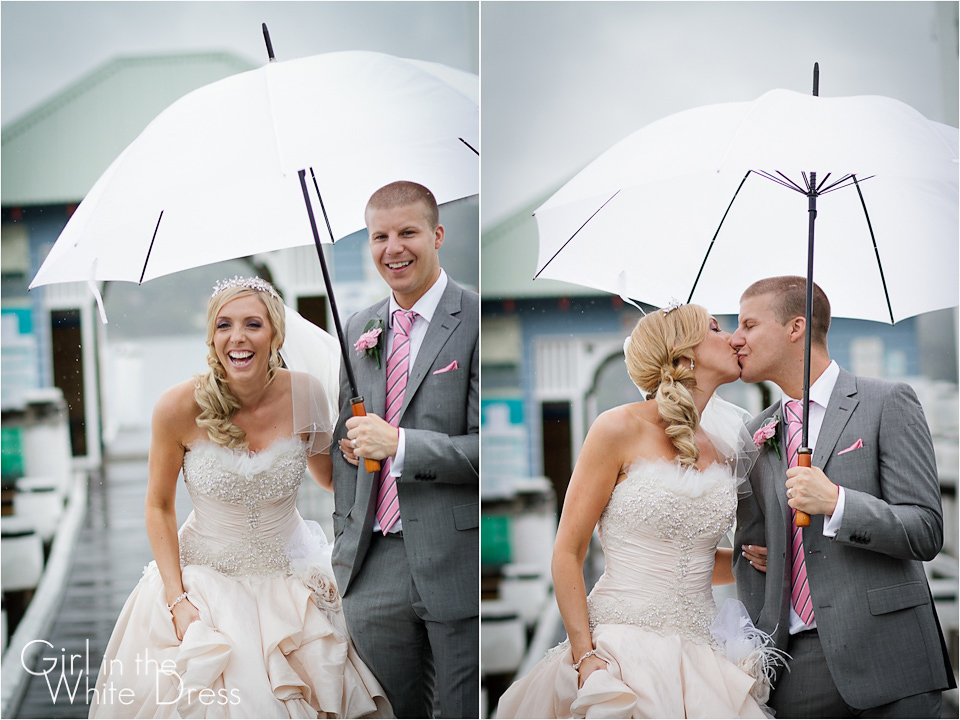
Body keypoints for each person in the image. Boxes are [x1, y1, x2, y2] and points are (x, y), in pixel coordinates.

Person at [88, 276, 392, 719]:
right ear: (212, 337)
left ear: (275, 334)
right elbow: (157, 506)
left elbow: (330, 480)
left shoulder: (305, 392)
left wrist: (357, 446)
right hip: (204, 583)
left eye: (253, 324)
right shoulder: (177, 408)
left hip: (291, 579)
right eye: (225, 325)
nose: (239, 337)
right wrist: (177, 601)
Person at [497, 303, 784, 719]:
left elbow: (697, 559)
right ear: (685, 354)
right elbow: (567, 553)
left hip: (701, 650)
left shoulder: (728, 451)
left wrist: (748, 560)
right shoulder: (616, 428)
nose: (734, 338)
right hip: (621, 647)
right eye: (717, 329)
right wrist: (585, 658)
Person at [730, 276, 956, 718]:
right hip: (794, 665)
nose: (737, 339)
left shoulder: (887, 402)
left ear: (796, 327)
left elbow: (927, 530)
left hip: (891, 658)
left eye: (749, 325)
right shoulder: (753, 434)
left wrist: (838, 502)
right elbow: (749, 551)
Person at [332, 181, 479, 718]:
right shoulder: (357, 327)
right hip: (372, 565)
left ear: (437, 234)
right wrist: (346, 533)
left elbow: (487, 454)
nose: (393, 248)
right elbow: (340, 447)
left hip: (455, 556)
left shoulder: (473, 319)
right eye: (380, 236)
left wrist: (399, 444)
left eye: (408, 232)